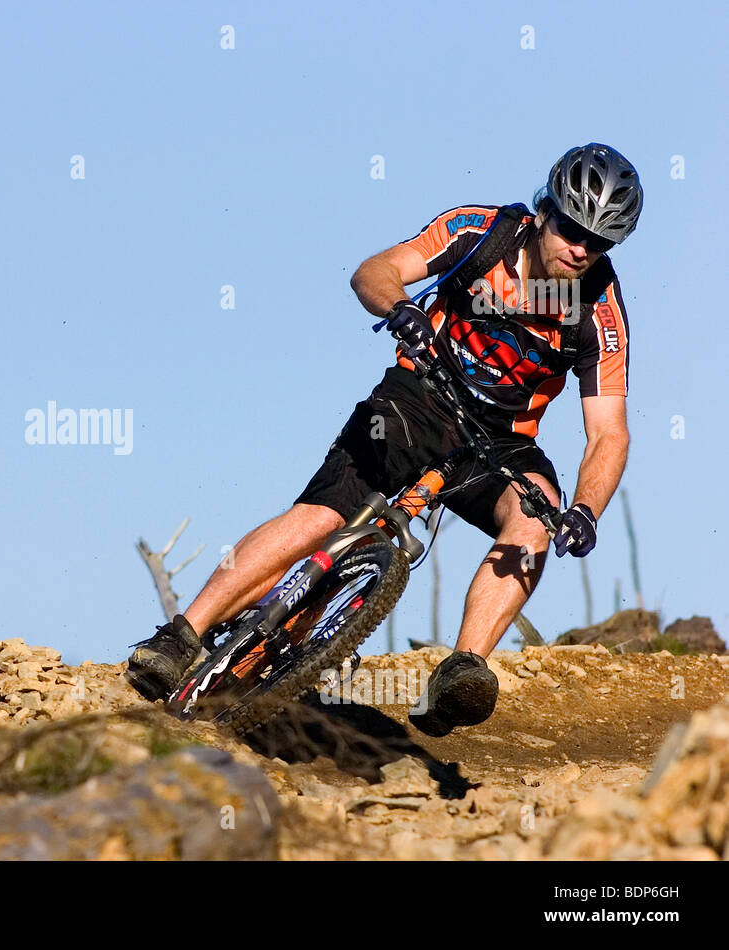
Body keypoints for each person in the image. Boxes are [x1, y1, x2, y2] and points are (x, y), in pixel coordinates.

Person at [126, 143, 642, 737]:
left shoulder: (600, 312)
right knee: (321, 519)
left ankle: (462, 671)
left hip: (498, 441)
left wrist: (587, 511)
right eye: (572, 228)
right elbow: (374, 270)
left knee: (536, 518)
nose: (581, 248)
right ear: (545, 210)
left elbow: (608, 432)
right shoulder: (482, 233)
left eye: (600, 241)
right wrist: (399, 308)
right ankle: (179, 636)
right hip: (417, 398)